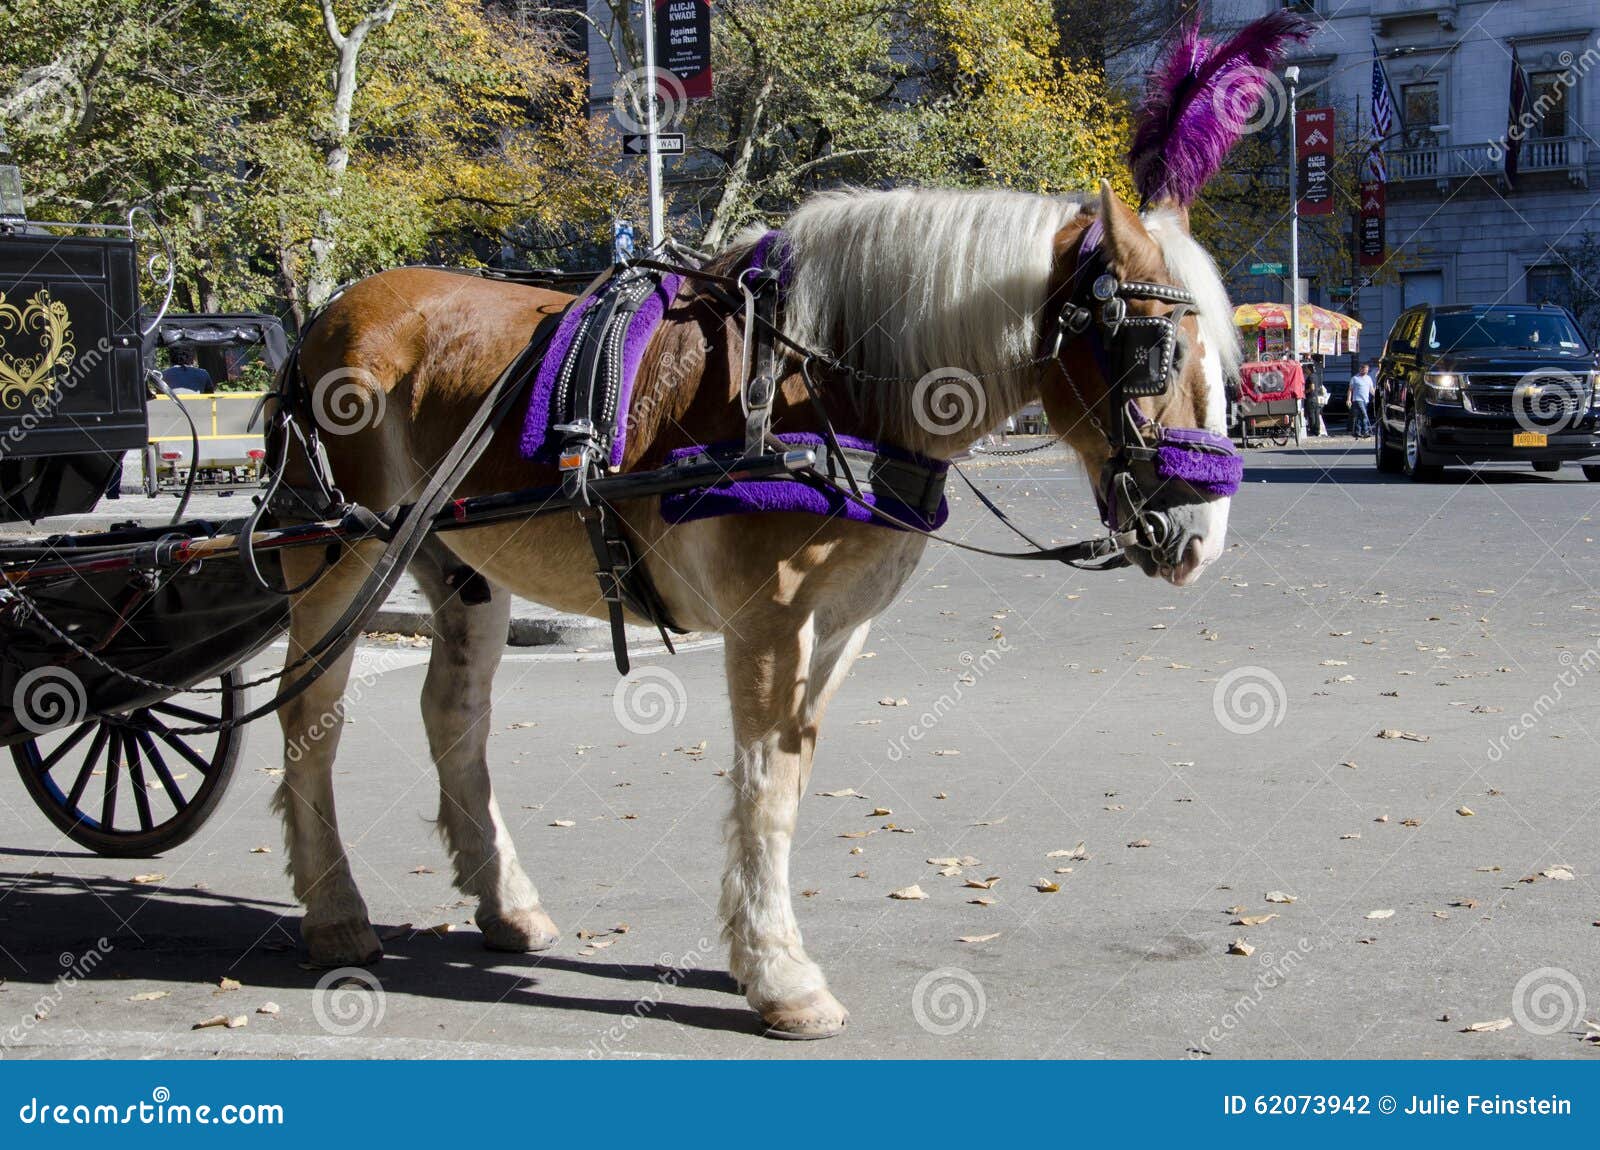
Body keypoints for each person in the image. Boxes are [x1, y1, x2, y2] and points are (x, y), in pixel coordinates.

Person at [1348, 361, 1375, 438]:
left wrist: (1375, 396)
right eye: (1365, 370)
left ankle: (1357, 432)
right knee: (1364, 414)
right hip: (1357, 400)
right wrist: (1348, 399)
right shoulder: (1355, 378)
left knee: (1361, 416)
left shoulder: (1368, 378)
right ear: (1361, 369)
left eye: (1367, 370)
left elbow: (1371, 389)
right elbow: (1350, 390)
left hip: (1365, 400)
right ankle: (1366, 431)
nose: (1366, 371)